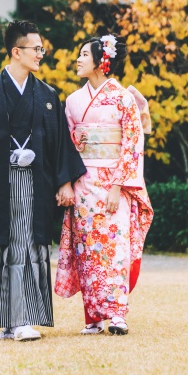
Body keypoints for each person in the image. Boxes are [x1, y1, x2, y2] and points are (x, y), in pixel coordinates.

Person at [0, 20, 86, 342]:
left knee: (28, 244)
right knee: (4, 247)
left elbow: (59, 143)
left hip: (36, 184)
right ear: (16, 51)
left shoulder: (47, 95)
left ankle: (23, 318)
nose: (40, 54)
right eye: (35, 49)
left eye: (41, 49)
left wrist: (64, 182)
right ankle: (9, 321)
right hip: (0, 184)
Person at [54, 34, 154, 335]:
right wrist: (66, 183)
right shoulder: (73, 101)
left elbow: (132, 144)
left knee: (115, 248)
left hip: (114, 183)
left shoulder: (123, 98)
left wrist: (117, 186)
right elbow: (65, 146)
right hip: (83, 183)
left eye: (84, 54)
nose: (78, 59)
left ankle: (118, 314)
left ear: (101, 62)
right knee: (87, 251)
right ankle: (93, 317)